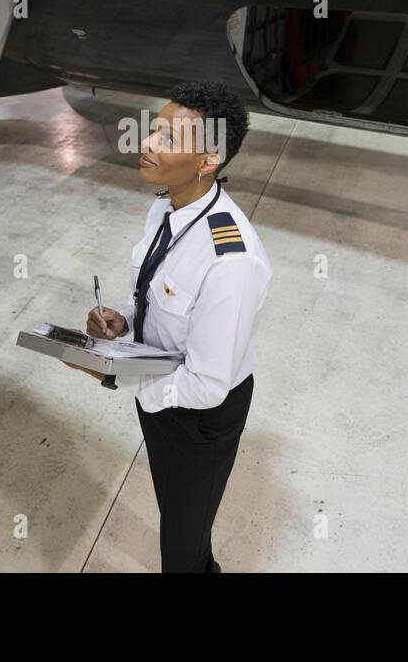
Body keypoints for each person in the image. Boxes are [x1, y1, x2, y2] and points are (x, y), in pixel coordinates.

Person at [75, 80, 271, 572]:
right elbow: (153, 287)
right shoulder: (166, 206)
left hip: (202, 417)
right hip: (159, 390)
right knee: (176, 512)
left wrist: (118, 376)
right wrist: (124, 317)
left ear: (209, 160)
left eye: (168, 138)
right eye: (153, 130)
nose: (146, 142)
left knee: (183, 550)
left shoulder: (230, 259)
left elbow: (208, 384)